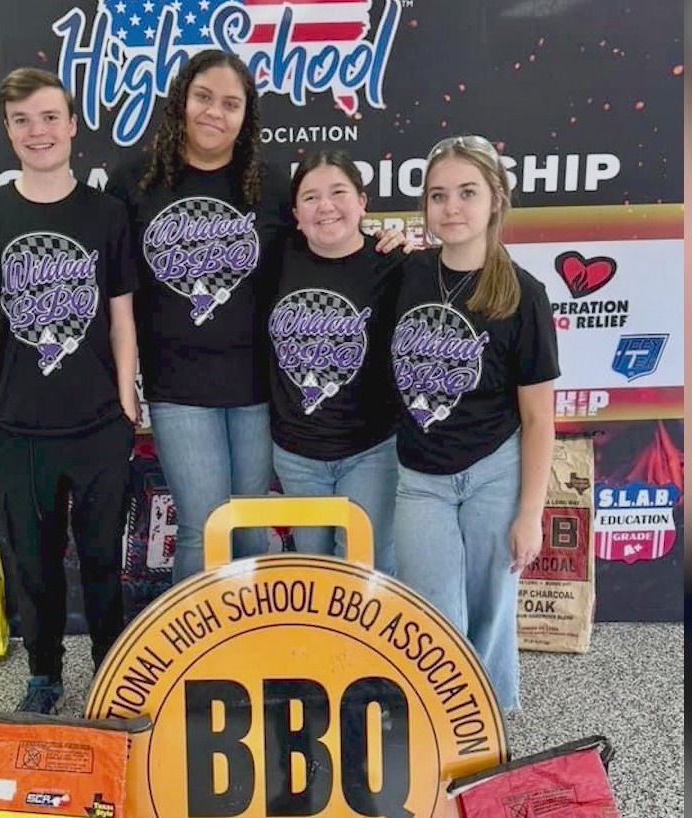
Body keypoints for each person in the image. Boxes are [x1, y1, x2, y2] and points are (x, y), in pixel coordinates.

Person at [105, 49, 402, 583]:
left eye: (231, 103)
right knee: (204, 525)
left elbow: (324, 242)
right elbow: (116, 292)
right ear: (181, 102)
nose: (214, 113)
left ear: (246, 117)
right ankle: (198, 659)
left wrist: (383, 236)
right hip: (178, 389)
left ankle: (251, 645)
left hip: (258, 390)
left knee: (251, 528)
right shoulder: (133, 181)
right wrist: (123, 383)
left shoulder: (269, 181)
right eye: (203, 97)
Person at [0, 67, 140, 713]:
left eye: (49, 117)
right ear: (8, 130)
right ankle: (43, 677)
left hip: (96, 425)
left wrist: (126, 403)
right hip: (18, 429)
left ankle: (113, 674)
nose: (39, 131)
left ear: (72, 124)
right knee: (33, 569)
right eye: (23, 120)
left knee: (100, 564)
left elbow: (121, 317)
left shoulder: (107, 212)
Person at [390, 135, 560, 715]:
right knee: (431, 612)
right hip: (420, 477)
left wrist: (531, 513)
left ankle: (487, 732)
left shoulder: (524, 295)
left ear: (495, 201)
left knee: (489, 611)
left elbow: (539, 418)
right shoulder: (404, 276)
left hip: (494, 470)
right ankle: (439, 724)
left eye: (467, 192)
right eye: (438, 196)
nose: (452, 207)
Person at [267, 150, 405, 575]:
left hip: (371, 451)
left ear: (363, 202)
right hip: (296, 453)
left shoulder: (395, 264)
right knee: (315, 572)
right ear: (295, 213)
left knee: (365, 570)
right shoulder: (275, 259)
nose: (325, 206)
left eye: (338, 192)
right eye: (310, 198)